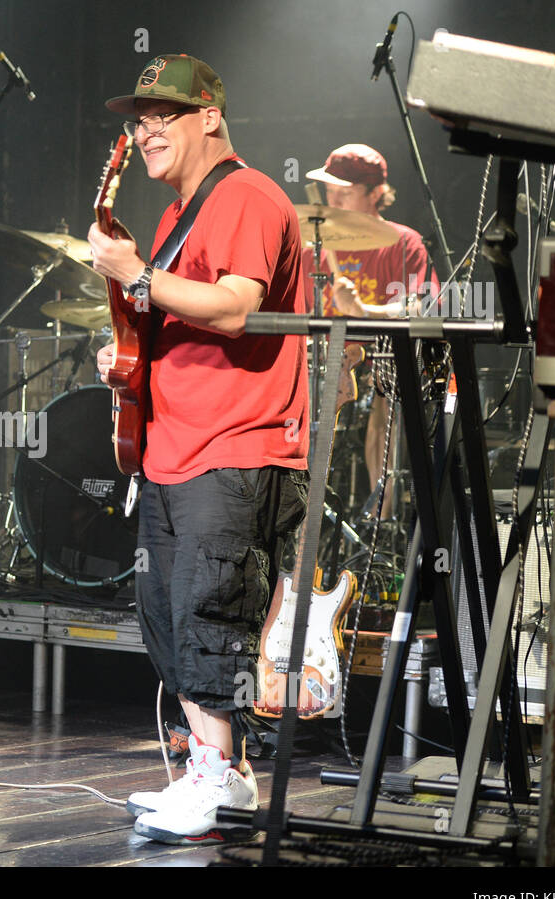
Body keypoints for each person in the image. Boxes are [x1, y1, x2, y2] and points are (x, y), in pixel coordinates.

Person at [88, 55, 309, 844]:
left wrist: (137, 276)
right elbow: (169, 319)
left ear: (209, 116)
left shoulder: (247, 194)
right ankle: (218, 773)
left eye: (162, 117)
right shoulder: (176, 214)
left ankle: (216, 779)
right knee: (166, 615)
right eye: (136, 120)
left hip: (237, 443)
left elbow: (235, 309)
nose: (145, 132)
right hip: (173, 447)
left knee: (211, 610)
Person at [304, 144, 436, 518]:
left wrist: (364, 311)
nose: (333, 199)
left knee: (387, 390)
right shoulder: (310, 246)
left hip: (375, 366)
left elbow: (419, 307)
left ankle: (379, 521)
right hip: (316, 365)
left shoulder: (403, 242)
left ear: (376, 194)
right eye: (329, 191)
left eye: (343, 193)